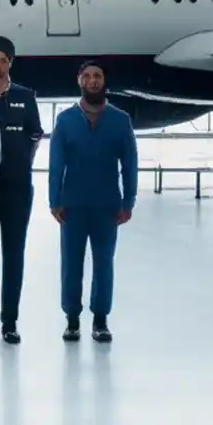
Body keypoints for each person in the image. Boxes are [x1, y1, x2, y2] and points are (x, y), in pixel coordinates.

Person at [48, 60, 137, 343]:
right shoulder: (65, 120)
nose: (93, 80)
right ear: (79, 81)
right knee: (70, 264)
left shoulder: (120, 120)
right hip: (72, 206)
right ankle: (72, 320)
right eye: (87, 76)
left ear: (104, 81)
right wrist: (54, 200)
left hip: (107, 206)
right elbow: (56, 165)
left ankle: (100, 320)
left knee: (103, 264)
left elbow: (130, 164)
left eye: (97, 76)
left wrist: (129, 201)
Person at [0, 36, 43, 345]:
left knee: (14, 255)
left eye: (3, 60)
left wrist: (20, 165)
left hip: (17, 189)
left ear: (10, 63)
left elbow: (35, 136)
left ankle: (9, 322)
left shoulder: (25, 97)